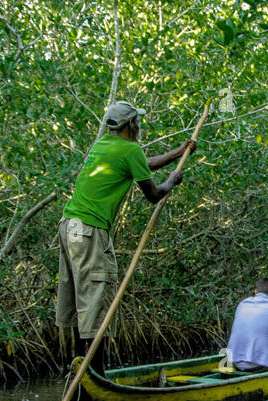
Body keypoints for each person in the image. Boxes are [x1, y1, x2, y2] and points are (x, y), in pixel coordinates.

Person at [57, 100, 195, 362]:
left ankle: (78, 366)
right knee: (97, 295)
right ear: (131, 124)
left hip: (69, 227)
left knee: (79, 296)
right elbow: (154, 194)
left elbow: (144, 163)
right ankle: (93, 371)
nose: (140, 125)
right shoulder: (128, 150)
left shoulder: (103, 145)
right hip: (90, 229)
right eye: (138, 121)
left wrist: (179, 152)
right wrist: (171, 181)